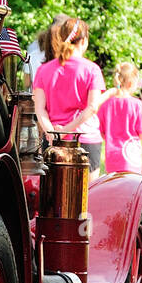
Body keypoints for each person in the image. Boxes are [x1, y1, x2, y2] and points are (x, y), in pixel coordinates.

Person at [32, 16, 106, 177]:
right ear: (83, 40)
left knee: (52, 194)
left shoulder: (43, 70)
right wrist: (66, 130)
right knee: (88, 194)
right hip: (85, 139)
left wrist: (53, 132)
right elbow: (92, 107)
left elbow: (39, 109)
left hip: (52, 142)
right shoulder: (92, 70)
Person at [97, 62, 142, 174]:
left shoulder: (106, 105)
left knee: (115, 188)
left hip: (112, 159)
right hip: (131, 158)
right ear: (131, 83)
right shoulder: (137, 105)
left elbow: (102, 133)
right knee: (132, 189)